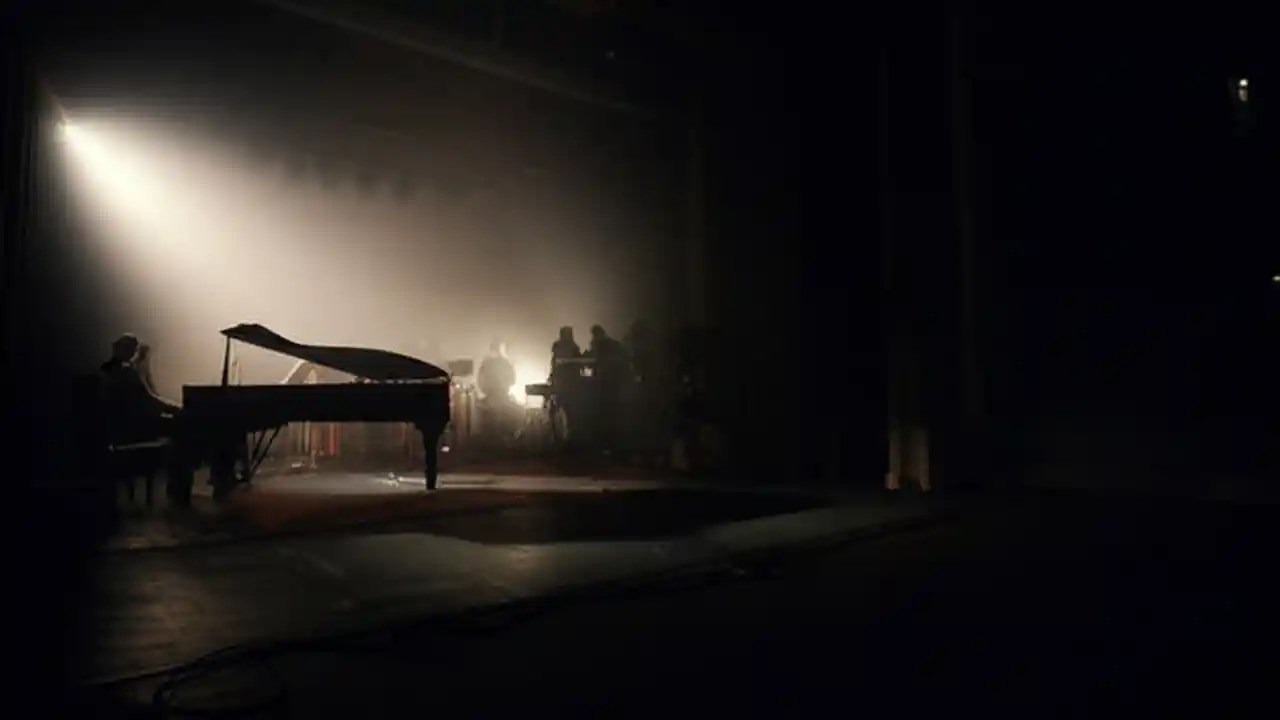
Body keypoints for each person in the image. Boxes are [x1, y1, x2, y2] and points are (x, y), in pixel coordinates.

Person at [98, 334, 181, 444]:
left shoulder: (106, 369)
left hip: (117, 428)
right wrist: (176, 408)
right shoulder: (126, 371)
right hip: (130, 429)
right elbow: (149, 400)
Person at [586, 325, 627, 456]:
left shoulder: (604, 345)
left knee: (604, 416)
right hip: (608, 385)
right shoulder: (612, 345)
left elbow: (594, 361)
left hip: (605, 385)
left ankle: (605, 446)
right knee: (608, 416)